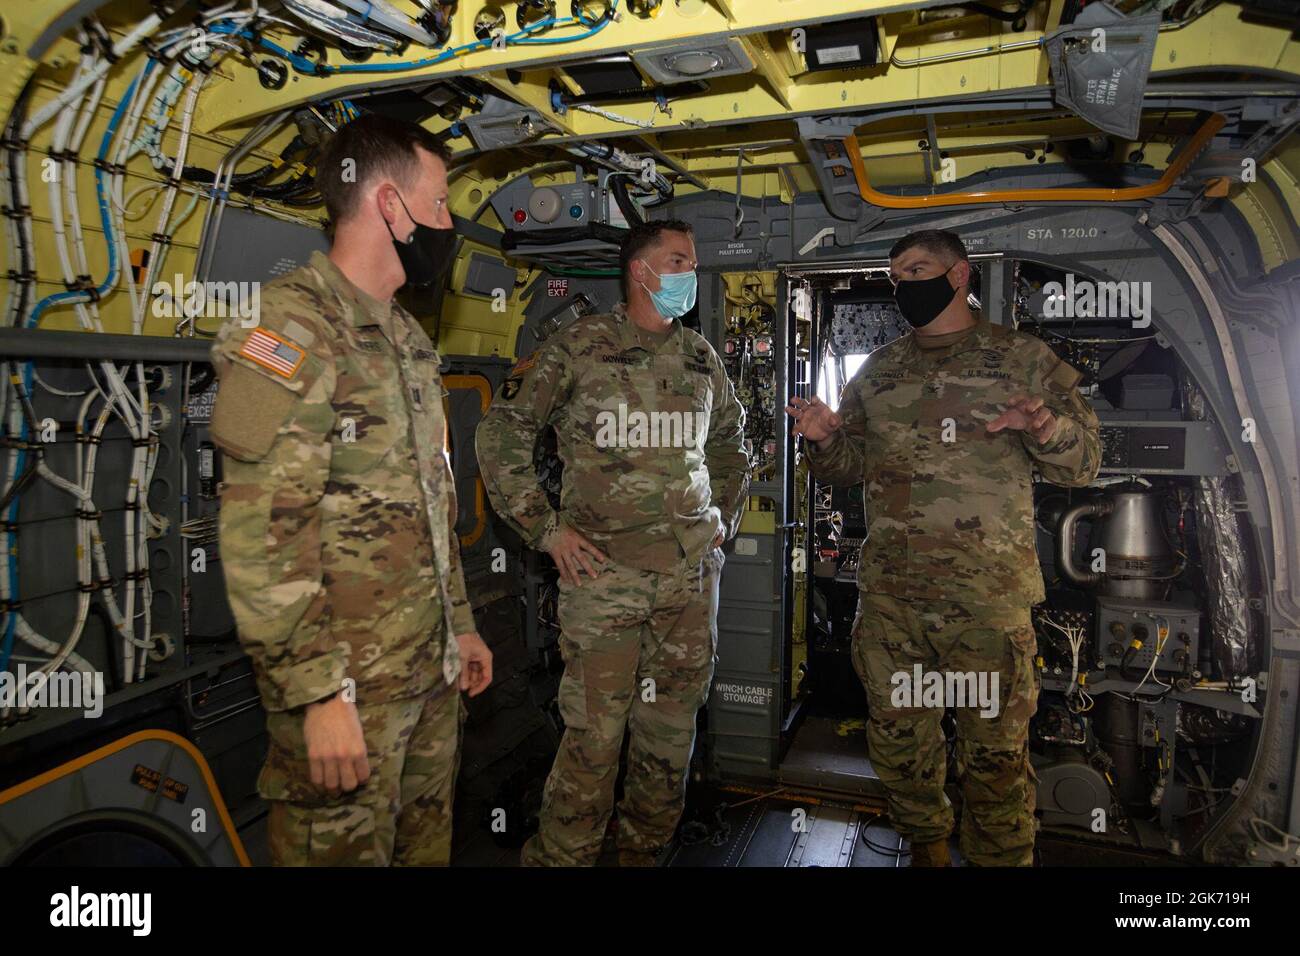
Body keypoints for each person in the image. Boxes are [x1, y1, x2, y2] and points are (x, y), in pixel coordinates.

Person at [210, 113, 492, 866]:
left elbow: (434, 502)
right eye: (437, 203)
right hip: (347, 698)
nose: (447, 223)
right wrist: (314, 695)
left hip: (426, 679)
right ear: (390, 206)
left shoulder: (408, 342)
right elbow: (260, 530)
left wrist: (458, 625)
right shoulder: (288, 327)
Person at [785, 229, 1100, 866]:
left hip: (984, 604)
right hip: (894, 603)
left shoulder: (1021, 359)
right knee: (901, 747)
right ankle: (927, 848)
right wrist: (821, 440)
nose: (904, 285)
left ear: (958, 277)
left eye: (917, 270)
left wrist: (1045, 427)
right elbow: (849, 467)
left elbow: (1085, 463)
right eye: (896, 275)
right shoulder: (881, 369)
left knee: (993, 756)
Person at [475, 219, 749, 866]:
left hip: (688, 582)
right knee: (594, 741)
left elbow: (731, 446)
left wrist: (721, 523)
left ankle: (644, 854)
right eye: (680, 260)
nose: (692, 272)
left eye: (693, 261)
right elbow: (502, 434)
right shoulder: (578, 348)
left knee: (669, 739)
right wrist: (546, 530)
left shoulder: (701, 358)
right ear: (641, 270)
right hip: (605, 581)